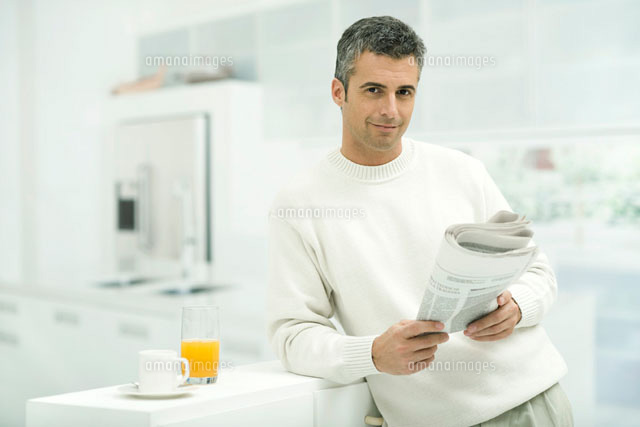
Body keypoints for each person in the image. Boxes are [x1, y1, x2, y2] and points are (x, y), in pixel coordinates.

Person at [266, 16, 573, 427]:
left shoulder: (462, 171)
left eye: (404, 92)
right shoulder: (301, 204)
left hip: (535, 403)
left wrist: (518, 306)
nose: (391, 110)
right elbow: (292, 335)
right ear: (339, 92)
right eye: (374, 90)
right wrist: (372, 353)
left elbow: (538, 271)